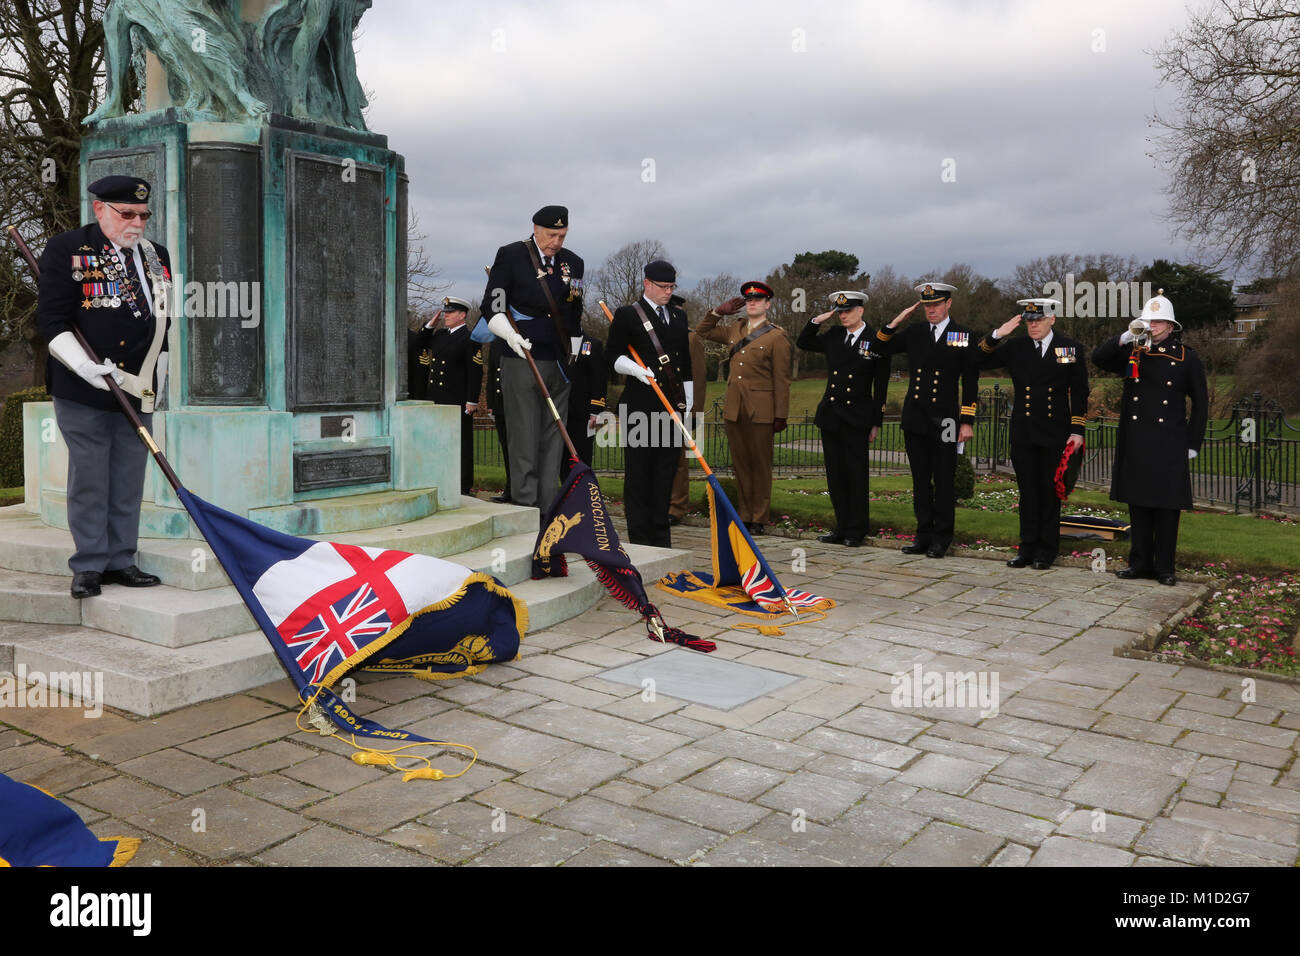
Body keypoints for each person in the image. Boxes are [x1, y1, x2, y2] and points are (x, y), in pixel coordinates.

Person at [36, 175, 171, 598]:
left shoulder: (156, 255)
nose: (136, 223)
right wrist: (83, 366)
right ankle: (90, 564)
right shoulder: (69, 248)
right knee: (92, 475)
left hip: (137, 385)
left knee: (129, 476)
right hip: (84, 384)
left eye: (143, 216)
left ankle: (121, 560)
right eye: (126, 213)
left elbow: (160, 323)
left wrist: (156, 380)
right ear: (100, 210)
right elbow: (52, 321)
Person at [1091, 291, 1207, 585]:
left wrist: (1193, 444)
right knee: (1139, 504)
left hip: (1169, 442)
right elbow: (1099, 358)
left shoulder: (1186, 357)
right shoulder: (1134, 351)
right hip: (1138, 439)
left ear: (1171, 326)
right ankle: (1139, 563)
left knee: (1167, 508)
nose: (1153, 326)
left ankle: (1165, 567)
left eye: (1159, 321)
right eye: (1149, 320)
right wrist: (1126, 335)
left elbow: (1201, 404)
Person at [479, 205, 584, 512]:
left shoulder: (573, 263)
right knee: (524, 438)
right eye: (552, 234)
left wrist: (575, 349)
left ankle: (549, 510)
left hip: (559, 362)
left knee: (554, 441)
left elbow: (575, 310)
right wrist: (508, 335)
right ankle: (525, 509)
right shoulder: (512, 255)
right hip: (521, 357)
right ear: (536, 229)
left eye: (562, 235)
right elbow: (493, 304)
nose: (557, 241)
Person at [978, 298, 1089, 569]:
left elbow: (1080, 390)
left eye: (1038, 320)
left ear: (1052, 320)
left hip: (1055, 430)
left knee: (1049, 490)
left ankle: (1047, 549)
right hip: (1024, 430)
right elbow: (978, 358)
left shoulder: (1069, 348)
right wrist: (997, 335)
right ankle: (1026, 548)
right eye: (1029, 321)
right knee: (1027, 490)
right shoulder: (1016, 347)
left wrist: (1077, 430)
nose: (1033, 325)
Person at [874, 281, 979, 558]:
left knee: (943, 479)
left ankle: (941, 538)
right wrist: (897, 321)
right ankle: (923, 535)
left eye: (936, 305)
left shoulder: (963, 334)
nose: (931, 310)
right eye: (927, 306)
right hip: (915, 417)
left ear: (948, 304)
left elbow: (970, 381)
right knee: (920, 480)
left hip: (946, 420)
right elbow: (879, 347)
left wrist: (966, 421)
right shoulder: (916, 332)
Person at [605, 260, 692, 547]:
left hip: (671, 407)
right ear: (647, 283)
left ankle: (661, 540)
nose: (668, 292)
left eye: (672, 287)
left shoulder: (679, 317)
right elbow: (612, 356)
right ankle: (640, 541)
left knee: (665, 474)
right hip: (639, 407)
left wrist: (688, 399)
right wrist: (635, 370)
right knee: (640, 476)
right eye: (663, 287)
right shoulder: (628, 315)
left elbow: (685, 362)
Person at [696, 280, 792, 535]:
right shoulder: (734, 329)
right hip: (734, 408)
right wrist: (718, 312)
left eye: (757, 300)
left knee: (760, 464)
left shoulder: (776, 336)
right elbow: (702, 331)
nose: (752, 303)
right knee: (740, 464)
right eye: (748, 300)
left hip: (761, 410)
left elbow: (782, 380)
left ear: (767, 304)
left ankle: (759, 517)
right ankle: (744, 514)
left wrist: (780, 414)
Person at [797, 290, 890, 547]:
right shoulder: (835, 336)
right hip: (831, 416)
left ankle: (856, 529)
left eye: (848, 310)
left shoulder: (876, 340)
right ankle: (841, 526)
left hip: (857, 417)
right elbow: (803, 342)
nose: (844, 315)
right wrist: (819, 319)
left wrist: (876, 422)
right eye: (840, 312)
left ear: (861, 311)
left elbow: (880, 387)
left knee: (856, 475)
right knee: (835, 475)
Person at [416, 296, 482, 495]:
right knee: (438, 442)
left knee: (460, 443)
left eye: (450, 313)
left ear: (462, 315)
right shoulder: (441, 335)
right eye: (445, 313)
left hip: (457, 399)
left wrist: (472, 400)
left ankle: (463, 485)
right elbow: (420, 342)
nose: (446, 316)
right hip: (436, 398)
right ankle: (440, 478)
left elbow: (475, 371)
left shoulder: (470, 338)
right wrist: (429, 325)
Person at [669, 300, 707, 526]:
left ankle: (676, 506)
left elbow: (699, 378)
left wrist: (694, 412)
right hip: (656, 405)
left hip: (681, 407)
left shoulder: (691, 338)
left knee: (678, 460)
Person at [561, 331, 607, 475]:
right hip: (559, 409)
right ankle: (564, 492)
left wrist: (595, 411)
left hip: (584, 413)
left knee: (582, 455)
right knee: (560, 456)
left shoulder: (594, 344)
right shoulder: (557, 340)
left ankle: (581, 491)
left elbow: (599, 380)